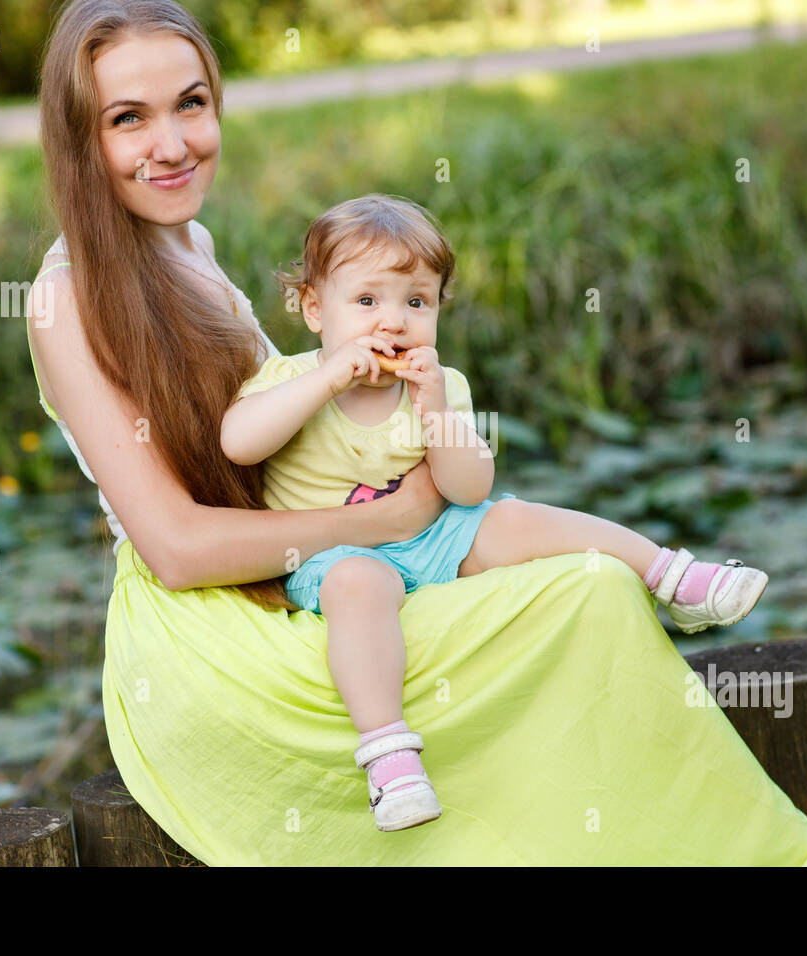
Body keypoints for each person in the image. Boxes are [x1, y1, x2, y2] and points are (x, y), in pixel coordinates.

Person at [26, 0, 807, 864]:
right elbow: (174, 546)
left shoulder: (189, 244)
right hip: (211, 624)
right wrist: (384, 521)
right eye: (128, 118)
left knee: (586, 580)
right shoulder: (67, 296)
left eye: (191, 103)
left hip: (305, 558)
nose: (172, 144)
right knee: (579, 601)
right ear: (77, 137)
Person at [222, 194, 772, 832]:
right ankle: (390, 756)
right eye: (367, 301)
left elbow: (468, 486)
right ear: (316, 310)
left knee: (515, 517)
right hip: (334, 557)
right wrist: (327, 380)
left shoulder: (440, 384)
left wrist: (435, 410)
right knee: (359, 584)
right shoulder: (287, 380)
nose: (392, 322)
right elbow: (240, 442)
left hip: (433, 537)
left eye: (416, 302)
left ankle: (672, 576)